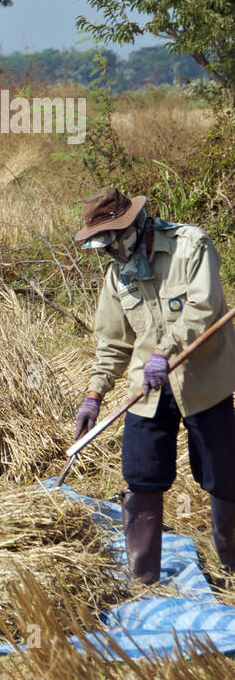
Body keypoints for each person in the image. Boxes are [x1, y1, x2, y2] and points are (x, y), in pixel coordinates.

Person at [71, 187, 235, 583]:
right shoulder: (116, 275)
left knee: (225, 475)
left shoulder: (190, 245)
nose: (111, 250)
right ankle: (143, 581)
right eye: (102, 243)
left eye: (115, 238)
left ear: (136, 224)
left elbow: (204, 306)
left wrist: (165, 350)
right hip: (148, 389)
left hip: (204, 382)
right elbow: (113, 343)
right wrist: (93, 395)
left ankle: (231, 570)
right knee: (140, 473)